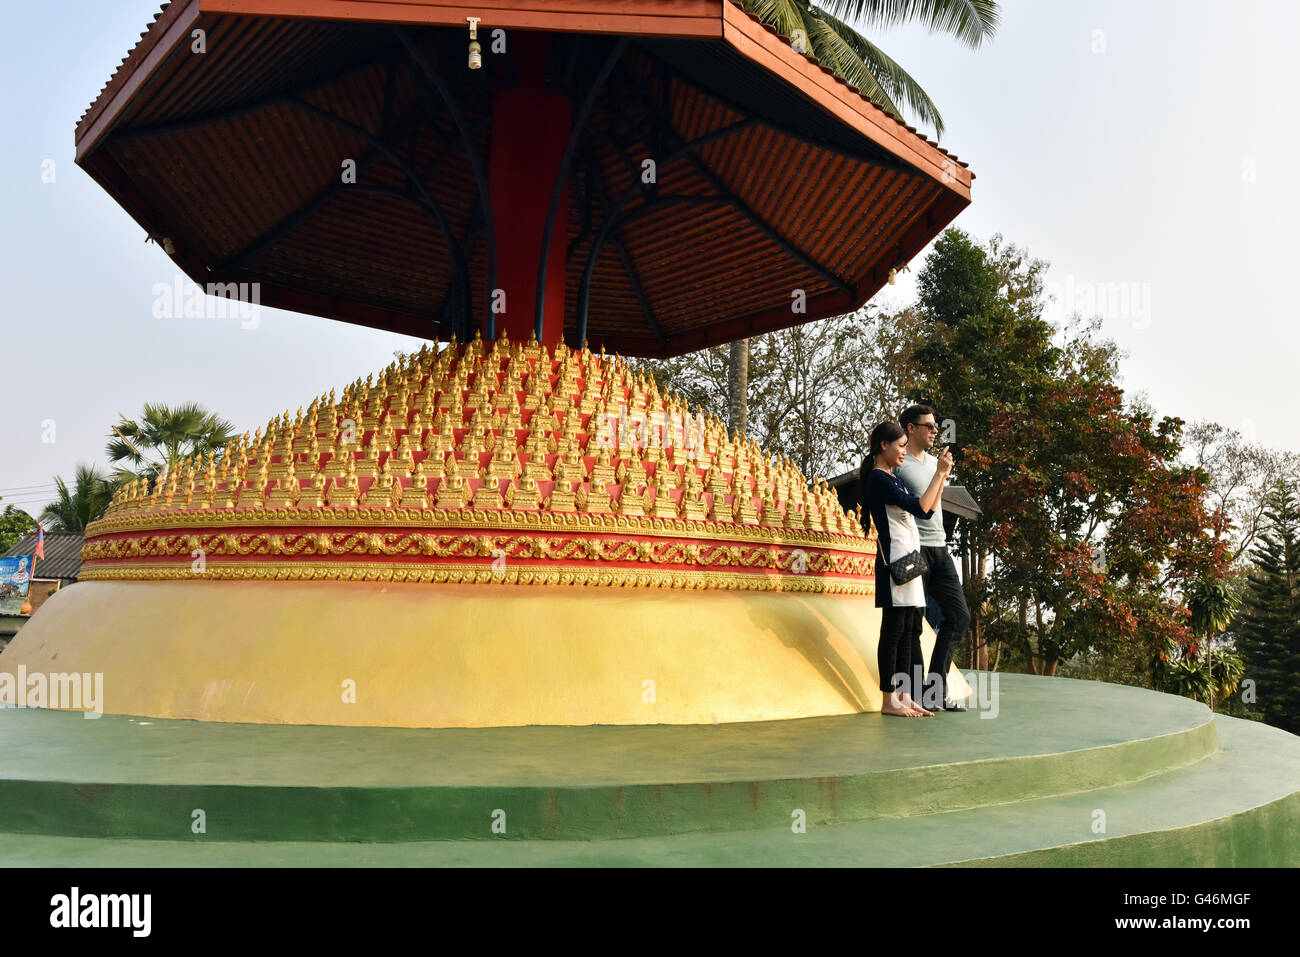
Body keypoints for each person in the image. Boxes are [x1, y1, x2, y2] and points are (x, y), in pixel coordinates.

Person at [859, 421, 952, 717]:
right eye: (899, 446)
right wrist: (937, 474)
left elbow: (928, 507)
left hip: (910, 558)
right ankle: (889, 701)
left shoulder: (892, 477)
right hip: (894, 561)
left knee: (910, 628)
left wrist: (942, 476)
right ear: (883, 446)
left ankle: (905, 694)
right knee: (894, 630)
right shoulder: (879, 479)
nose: (903, 451)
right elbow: (922, 508)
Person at [896, 405, 971, 711]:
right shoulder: (899, 465)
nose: (934, 431)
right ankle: (915, 695)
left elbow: (935, 503)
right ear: (911, 429)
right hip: (914, 549)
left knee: (959, 617)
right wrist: (940, 473)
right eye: (928, 426)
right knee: (913, 620)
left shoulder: (933, 462)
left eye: (936, 427)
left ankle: (934, 690)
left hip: (939, 547)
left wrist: (942, 473)